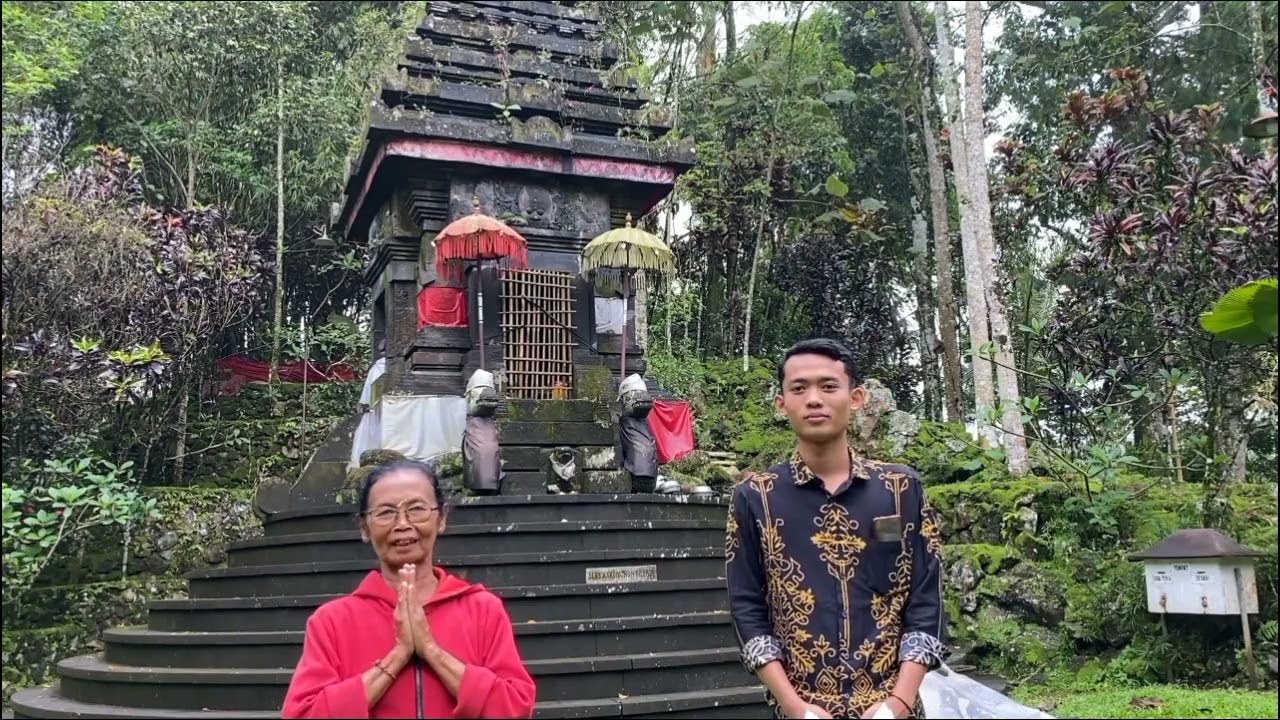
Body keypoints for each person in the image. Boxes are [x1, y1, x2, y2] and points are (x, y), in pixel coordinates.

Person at [726, 339, 945, 719]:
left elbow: (927, 600)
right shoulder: (756, 498)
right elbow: (746, 608)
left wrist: (898, 703)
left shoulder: (901, 490)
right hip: (803, 708)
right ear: (781, 403)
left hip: (893, 706)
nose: (814, 399)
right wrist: (795, 707)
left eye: (829, 386)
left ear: (856, 397)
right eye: (799, 388)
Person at [281, 459, 537, 719]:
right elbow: (302, 714)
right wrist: (399, 655)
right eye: (385, 512)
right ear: (364, 528)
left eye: (416, 509)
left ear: (441, 518)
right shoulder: (332, 621)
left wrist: (431, 650)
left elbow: (514, 709)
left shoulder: (483, 609)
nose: (402, 523)